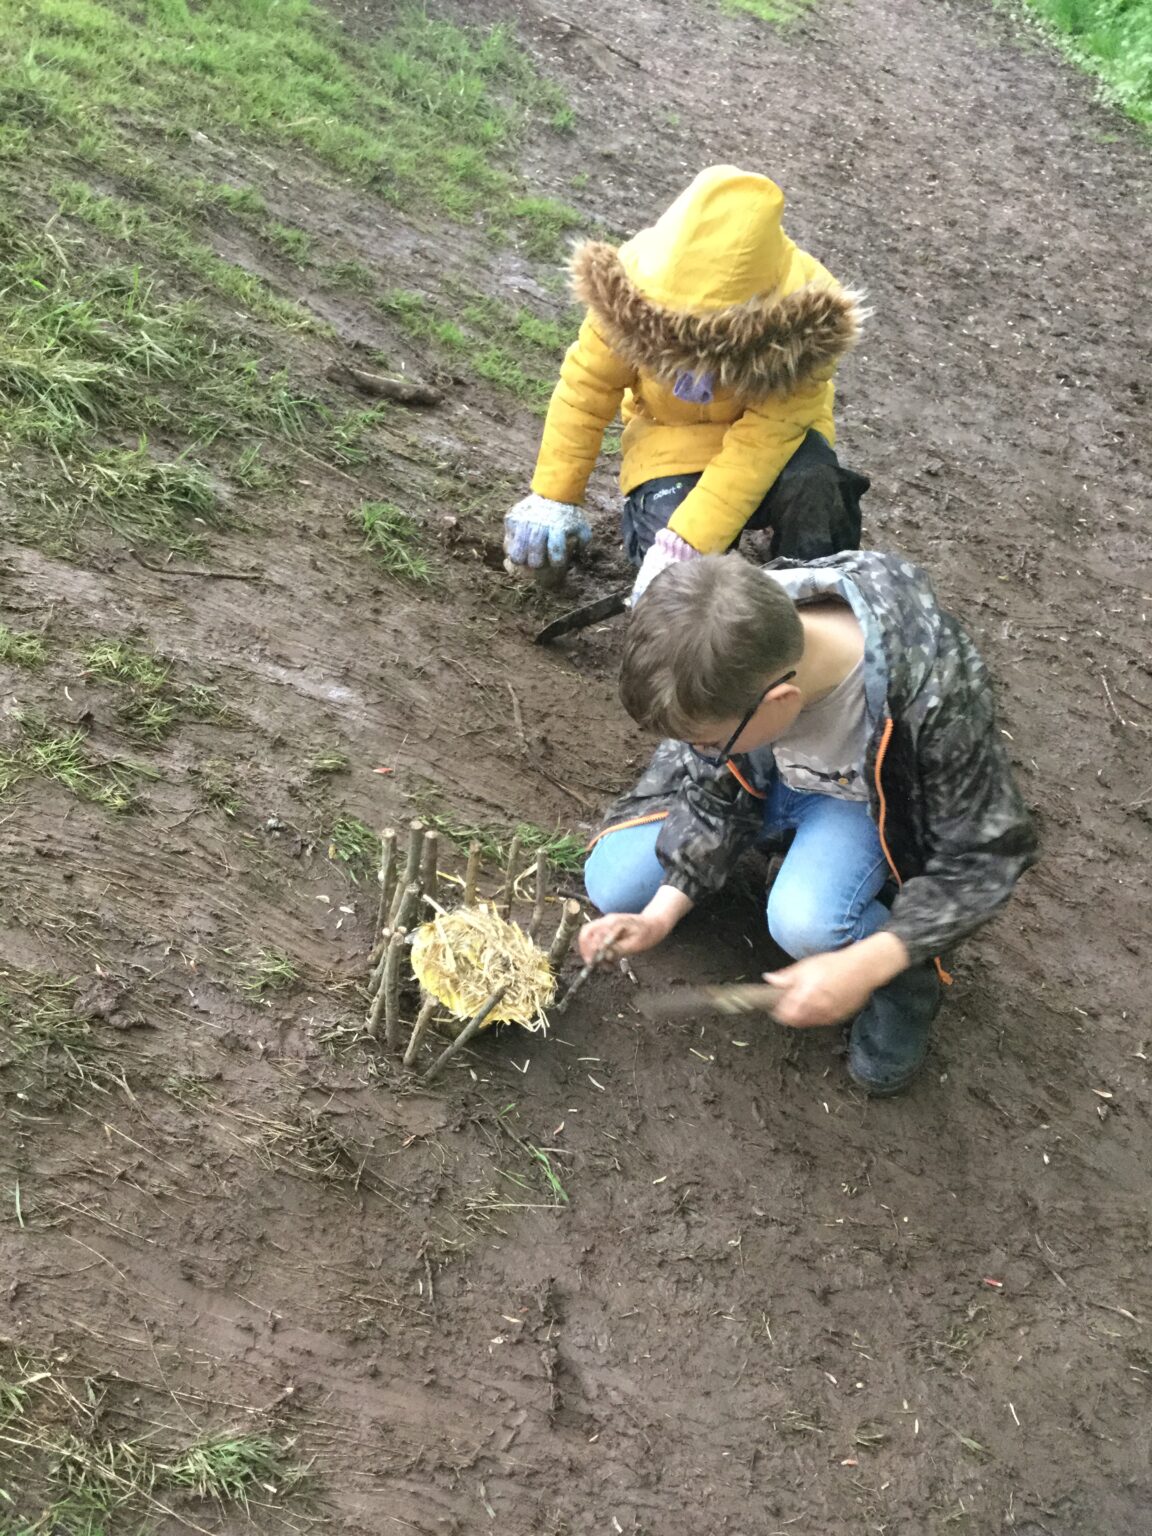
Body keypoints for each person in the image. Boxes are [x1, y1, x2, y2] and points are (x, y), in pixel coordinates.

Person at [578, 551, 1038, 1095]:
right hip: (771, 777)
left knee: (806, 923)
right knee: (616, 884)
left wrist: (868, 964)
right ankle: (776, 857)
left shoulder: (932, 696)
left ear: (781, 701)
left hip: (861, 803)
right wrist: (659, 916)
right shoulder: (735, 637)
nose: (695, 752)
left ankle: (906, 981)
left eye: (704, 740)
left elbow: (984, 857)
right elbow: (714, 781)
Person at [503, 164, 871, 602]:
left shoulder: (801, 332)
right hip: (669, 440)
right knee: (680, 590)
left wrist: (693, 536)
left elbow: (765, 441)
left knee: (816, 484)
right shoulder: (632, 293)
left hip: (778, 451)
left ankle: (813, 603)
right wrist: (554, 496)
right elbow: (586, 392)